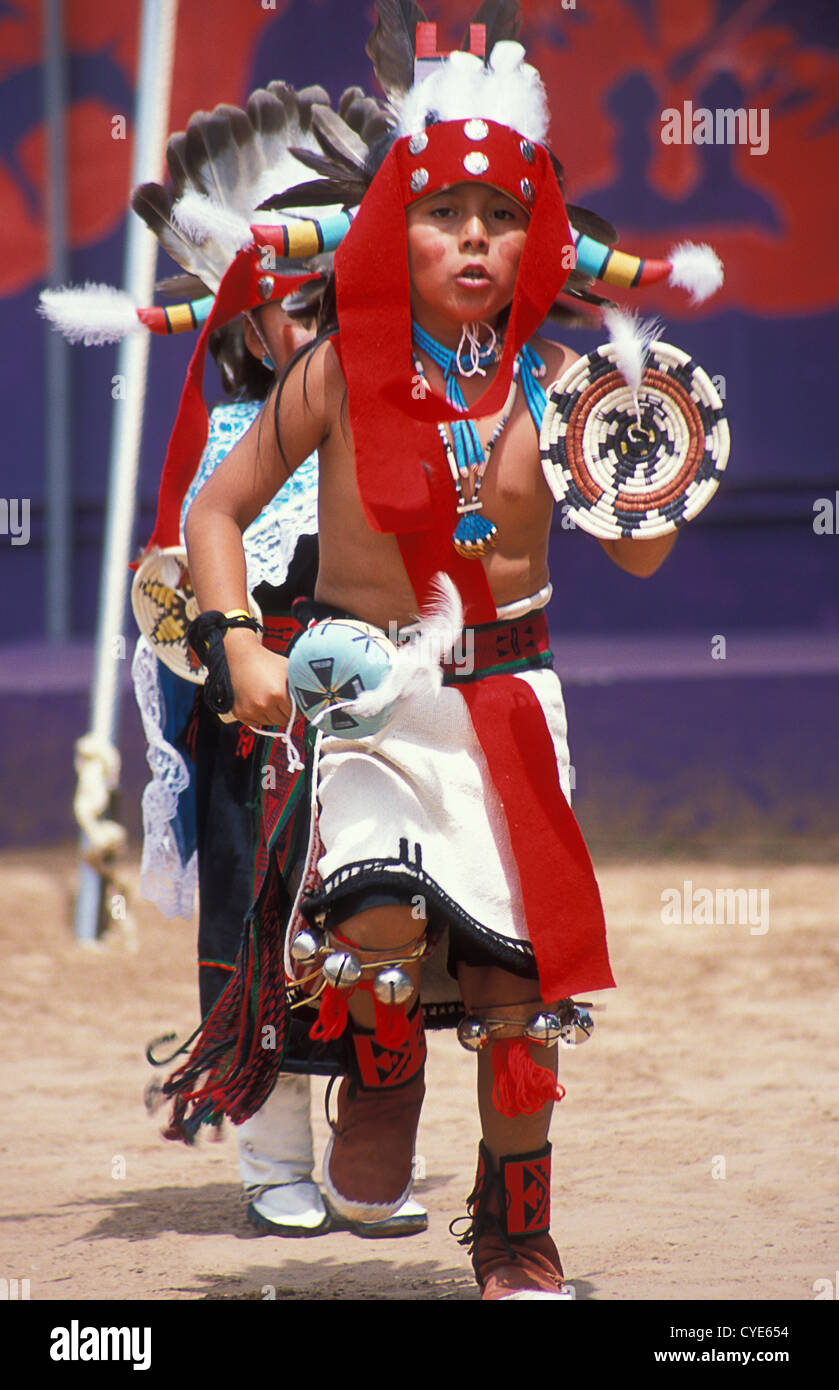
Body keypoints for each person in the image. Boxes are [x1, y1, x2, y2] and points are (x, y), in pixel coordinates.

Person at [180, 19, 685, 1299]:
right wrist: (237, 635)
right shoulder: (342, 373)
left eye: (499, 215)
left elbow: (636, 558)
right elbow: (216, 512)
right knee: (377, 914)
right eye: (442, 210)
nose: (470, 237)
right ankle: (383, 1076)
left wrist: (650, 469)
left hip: (513, 701)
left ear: (538, 242)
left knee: (522, 991)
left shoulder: (566, 383)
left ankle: (515, 1237)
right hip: (369, 701)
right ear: (392, 225)